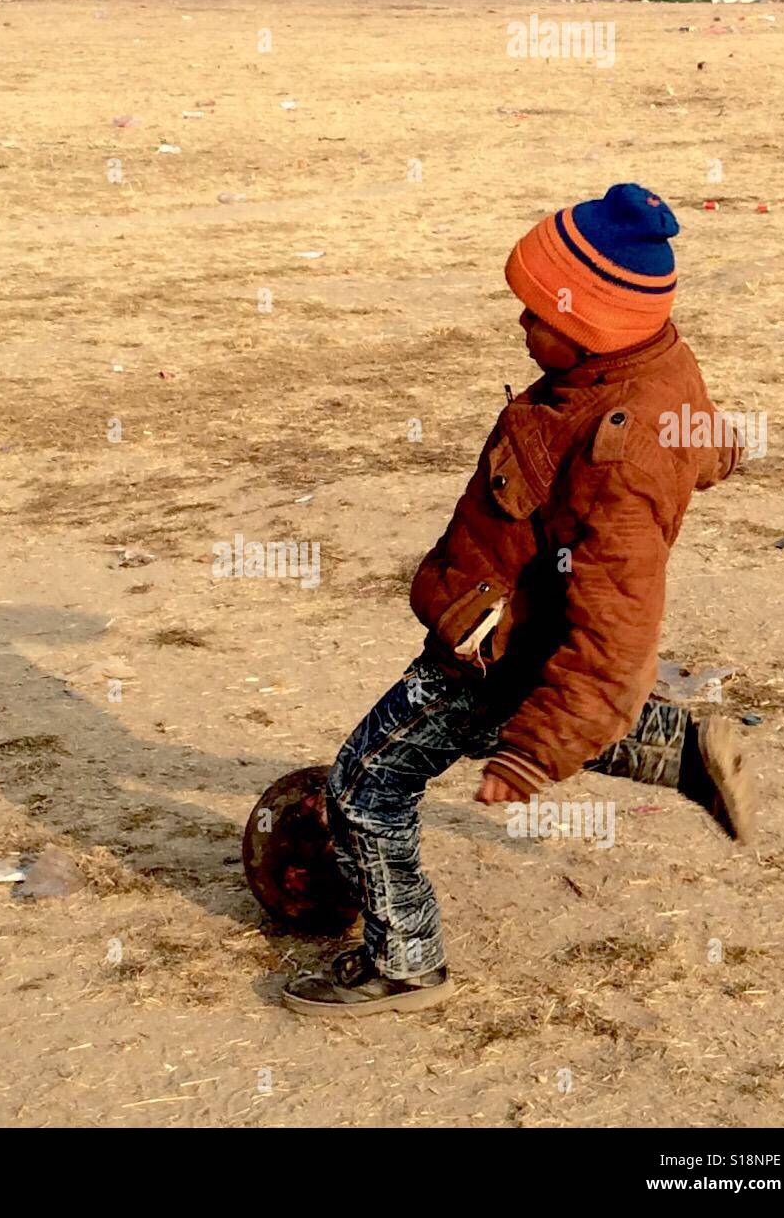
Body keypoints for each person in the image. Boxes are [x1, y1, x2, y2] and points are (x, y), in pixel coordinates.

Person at [283, 184, 750, 1018]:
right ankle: (677, 749)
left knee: (365, 785)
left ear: (591, 324)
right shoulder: (650, 363)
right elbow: (698, 432)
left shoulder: (622, 453)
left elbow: (615, 625)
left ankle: (403, 962)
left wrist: (534, 757)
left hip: (487, 647)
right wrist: (715, 451)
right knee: (502, 724)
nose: (520, 326)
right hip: (508, 626)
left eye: (536, 314)